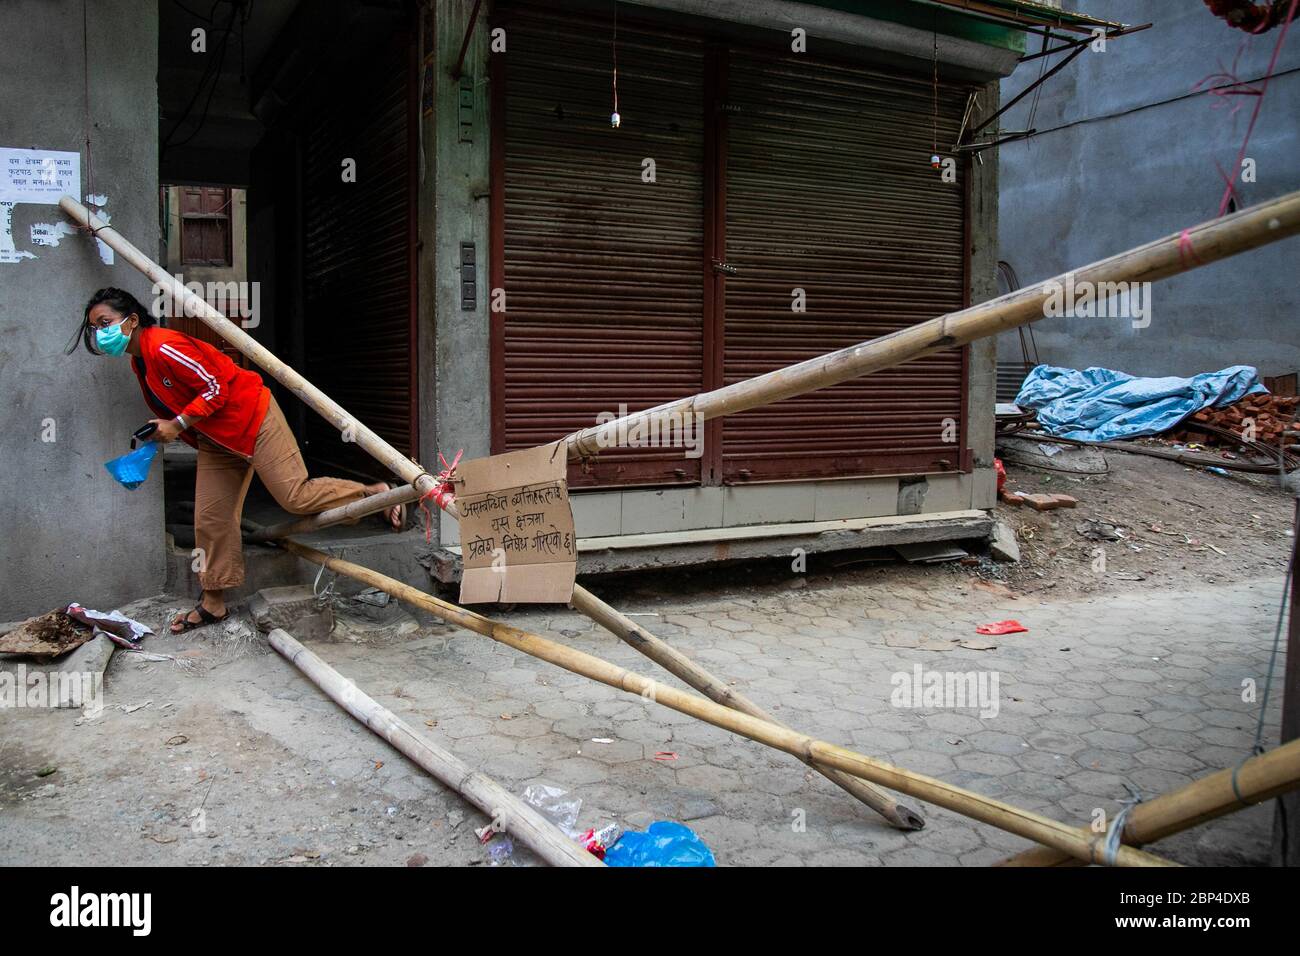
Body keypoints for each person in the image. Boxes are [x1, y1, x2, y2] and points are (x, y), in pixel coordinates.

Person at [69, 287, 405, 633]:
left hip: (253, 417)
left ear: (132, 320)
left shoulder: (164, 346)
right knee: (211, 519)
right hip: (216, 437)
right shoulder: (141, 360)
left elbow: (216, 386)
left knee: (295, 496)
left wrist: (179, 423)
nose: (100, 333)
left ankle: (376, 495)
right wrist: (168, 430)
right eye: (95, 328)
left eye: (104, 322)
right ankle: (213, 603)